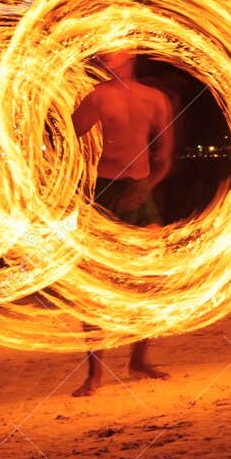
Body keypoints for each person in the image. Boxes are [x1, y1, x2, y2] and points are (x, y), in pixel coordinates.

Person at [69, 50, 176, 396]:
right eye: (102, 56)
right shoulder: (98, 97)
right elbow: (66, 139)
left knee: (148, 282)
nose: (104, 58)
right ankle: (94, 375)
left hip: (142, 195)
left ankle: (139, 360)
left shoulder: (155, 100)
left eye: (111, 53)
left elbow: (164, 157)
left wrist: (148, 185)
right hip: (105, 193)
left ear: (129, 55)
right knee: (96, 288)